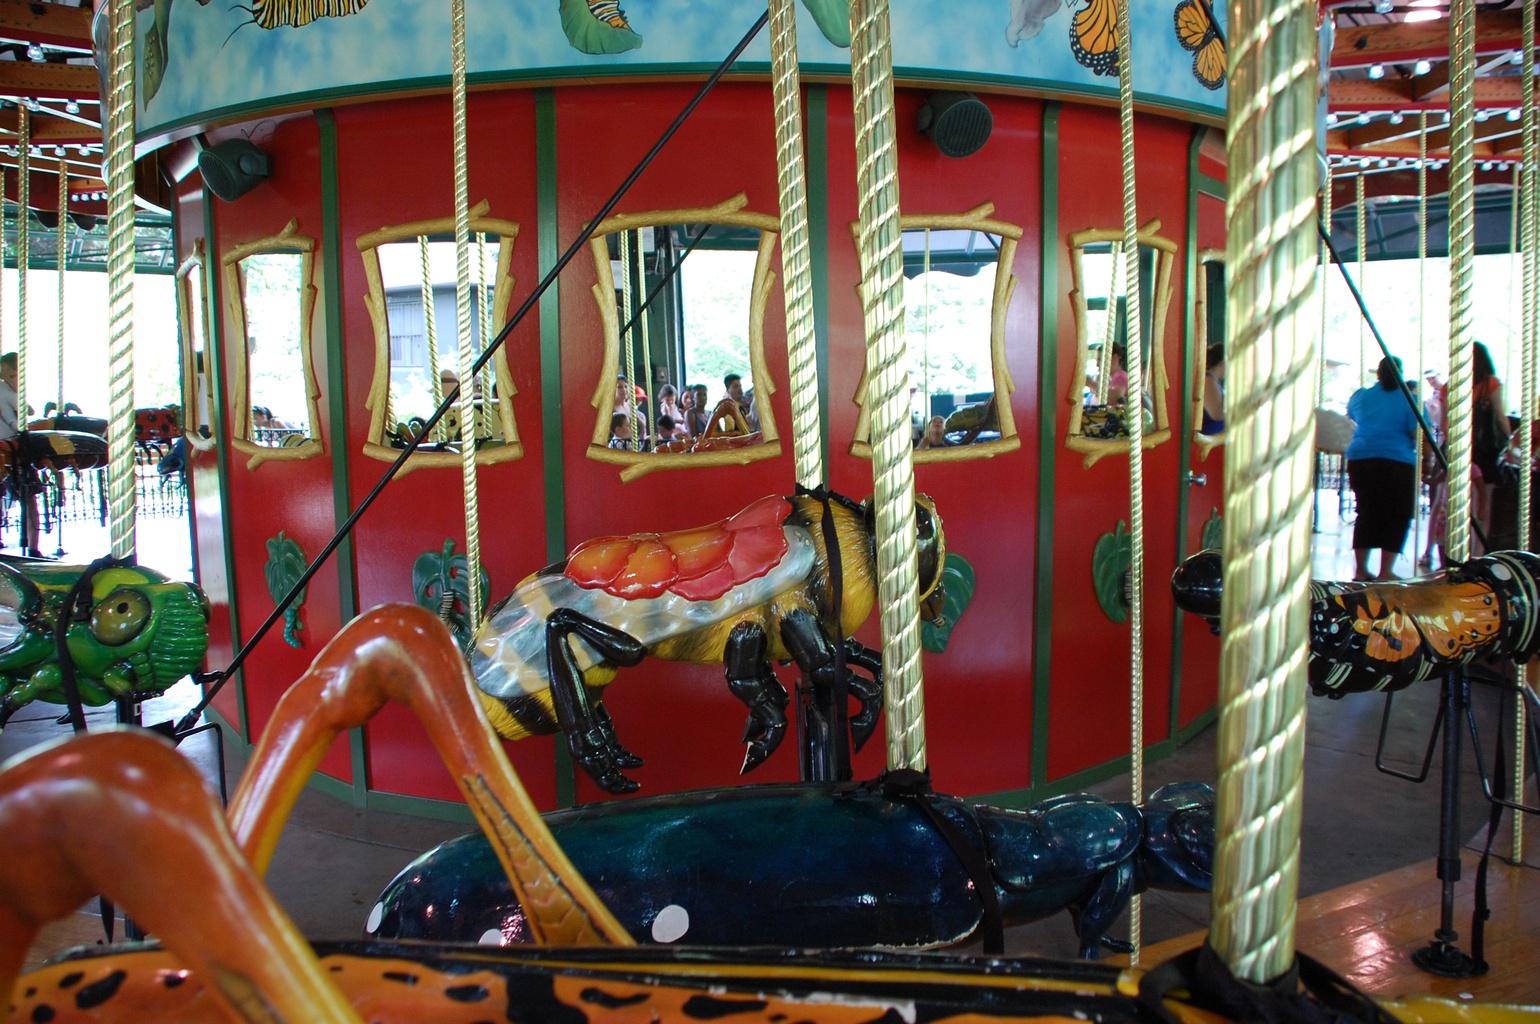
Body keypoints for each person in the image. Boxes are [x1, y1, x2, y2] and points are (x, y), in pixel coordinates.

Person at [1345, 356, 1420, 581]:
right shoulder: (1410, 399)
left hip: (1361, 458)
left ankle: (1361, 569)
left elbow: (1352, 416)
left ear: (1378, 374)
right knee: (1397, 514)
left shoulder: (1361, 396)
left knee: (1367, 512)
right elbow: (1416, 432)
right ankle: (1385, 570)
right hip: (1397, 461)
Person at [1200, 346, 1225, 435]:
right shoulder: (1208, 381)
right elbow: (1218, 414)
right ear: (1222, 364)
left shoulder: (1214, 381)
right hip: (1210, 433)